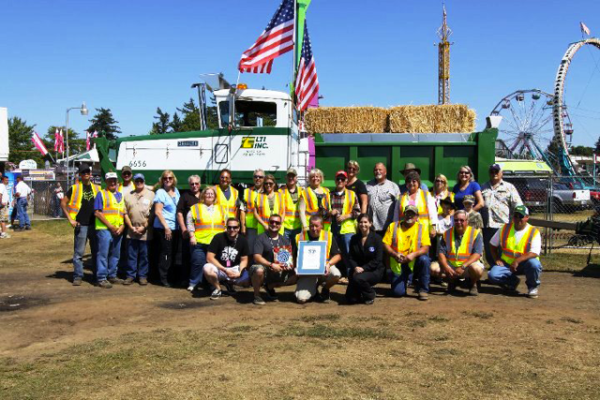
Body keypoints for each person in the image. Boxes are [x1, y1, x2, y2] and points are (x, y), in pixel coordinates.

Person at [488, 205, 542, 299]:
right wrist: (496, 259)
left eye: (521, 216)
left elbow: (534, 252)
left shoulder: (534, 231)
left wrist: (517, 261)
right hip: (507, 264)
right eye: (515, 216)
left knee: (535, 264)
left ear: (527, 217)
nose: (518, 219)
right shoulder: (504, 228)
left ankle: (532, 287)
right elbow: (492, 244)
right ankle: (512, 282)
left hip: (525, 264)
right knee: (492, 275)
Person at [62, 164, 101, 286]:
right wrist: (70, 219)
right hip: (81, 225)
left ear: (90, 174)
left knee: (96, 252)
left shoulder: (97, 188)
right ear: (79, 174)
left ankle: (96, 275)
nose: (86, 174)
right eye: (83, 172)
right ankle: (78, 276)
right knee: (79, 253)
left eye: (87, 172)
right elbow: (63, 203)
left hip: (95, 225)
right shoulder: (75, 188)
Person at [383, 205, 431, 300]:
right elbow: (385, 244)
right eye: (407, 213)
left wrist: (413, 255)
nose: (409, 216)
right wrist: (394, 254)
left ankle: (423, 290)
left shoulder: (422, 228)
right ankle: (405, 282)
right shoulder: (393, 226)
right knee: (398, 293)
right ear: (404, 214)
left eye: (412, 214)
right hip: (398, 262)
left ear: (417, 217)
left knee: (425, 260)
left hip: (413, 261)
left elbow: (426, 248)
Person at [480, 163, 523, 267]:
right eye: (492, 171)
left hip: (502, 225)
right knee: (489, 251)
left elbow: (518, 205)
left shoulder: (509, 187)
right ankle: (493, 272)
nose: (494, 173)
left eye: (496, 171)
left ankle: (504, 273)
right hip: (487, 225)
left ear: (501, 173)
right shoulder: (483, 187)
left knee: (502, 250)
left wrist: (515, 220)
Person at [249, 213, 297, 306]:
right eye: (272, 222)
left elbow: (289, 258)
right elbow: (257, 257)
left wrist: (288, 266)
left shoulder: (285, 240)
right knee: (258, 270)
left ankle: (269, 286)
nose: (274, 224)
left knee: (298, 274)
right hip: (265, 268)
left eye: (277, 222)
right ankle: (257, 295)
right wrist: (271, 264)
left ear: (280, 225)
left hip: (279, 270)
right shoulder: (261, 238)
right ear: (268, 223)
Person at [434, 210, 484, 296]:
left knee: (477, 269)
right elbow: (441, 253)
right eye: (456, 220)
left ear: (467, 221)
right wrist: (446, 267)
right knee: (434, 268)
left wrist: (463, 266)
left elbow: (477, 254)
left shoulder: (475, 233)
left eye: (461, 220)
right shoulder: (447, 234)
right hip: (451, 266)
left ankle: (473, 284)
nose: (458, 222)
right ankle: (452, 282)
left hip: (467, 266)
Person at [295, 215, 342, 304]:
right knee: (301, 299)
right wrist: (296, 268)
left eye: (316, 226)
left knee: (336, 274)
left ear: (322, 226)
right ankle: (314, 289)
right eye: (311, 225)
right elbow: (294, 256)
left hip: (324, 268)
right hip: (307, 273)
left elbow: (338, 255)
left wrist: (329, 264)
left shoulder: (328, 235)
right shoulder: (299, 237)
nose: (313, 228)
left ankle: (325, 289)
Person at [187, 186, 226, 292]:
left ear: (215, 196)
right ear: (203, 195)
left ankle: (213, 284)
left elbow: (225, 224)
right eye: (207, 193)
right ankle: (193, 283)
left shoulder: (221, 208)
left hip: (216, 243)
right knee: (197, 262)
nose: (209, 195)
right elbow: (189, 222)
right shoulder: (195, 208)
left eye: (211, 194)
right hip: (200, 241)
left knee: (213, 265)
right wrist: (192, 235)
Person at [203, 218, 250, 300]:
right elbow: (209, 257)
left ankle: (228, 283)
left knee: (248, 280)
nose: (232, 229)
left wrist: (240, 273)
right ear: (226, 228)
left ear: (238, 228)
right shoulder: (218, 237)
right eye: (229, 227)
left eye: (235, 227)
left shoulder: (243, 240)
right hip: (220, 268)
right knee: (207, 268)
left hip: (234, 268)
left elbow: (244, 260)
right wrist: (224, 270)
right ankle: (218, 289)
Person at [94, 172, 125, 289]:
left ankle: (112, 275)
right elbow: (97, 212)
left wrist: (122, 227)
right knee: (103, 254)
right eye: (110, 180)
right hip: (104, 229)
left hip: (118, 230)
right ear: (106, 182)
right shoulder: (101, 194)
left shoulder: (120, 196)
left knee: (115, 254)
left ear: (117, 182)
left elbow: (123, 213)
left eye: (114, 180)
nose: (112, 182)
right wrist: (110, 226)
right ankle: (101, 278)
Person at [123, 173, 155, 286]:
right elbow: (125, 213)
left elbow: (152, 214)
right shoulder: (127, 196)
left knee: (144, 255)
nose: (139, 183)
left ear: (144, 181)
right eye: (137, 181)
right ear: (134, 182)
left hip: (145, 231)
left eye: (141, 181)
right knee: (131, 254)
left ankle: (142, 276)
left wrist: (144, 226)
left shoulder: (151, 195)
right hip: (131, 230)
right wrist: (130, 227)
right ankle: (130, 276)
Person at [345, 214, 384, 305]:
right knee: (350, 299)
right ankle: (359, 293)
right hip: (358, 270)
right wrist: (355, 267)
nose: (363, 224)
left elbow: (378, 260)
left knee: (358, 278)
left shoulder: (377, 239)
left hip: (374, 270)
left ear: (370, 224)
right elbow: (351, 257)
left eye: (365, 222)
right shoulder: (354, 239)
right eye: (361, 222)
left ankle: (370, 294)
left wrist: (363, 268)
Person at [328, 170, 359, 282]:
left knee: (348, 253)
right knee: (333, 253)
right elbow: (322, 211)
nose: (340, 181)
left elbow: (357, 211)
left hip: (347, 229)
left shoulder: (352, 194)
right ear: (335, 181)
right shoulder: (329, 195)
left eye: (342, 179)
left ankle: (350, 275)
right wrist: (329, 212)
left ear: (346, 181)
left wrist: (346, 216)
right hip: (333, 228)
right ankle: (333, 274)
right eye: (338, 179)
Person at [153, 170, 181, 287]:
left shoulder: (176, 191)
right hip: (164, 228)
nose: (167, 180)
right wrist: (166, 227)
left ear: (173, 179)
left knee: (174, 253)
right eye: (165, 178)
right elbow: (158, 212)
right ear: (162, 180)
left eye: (170, 178)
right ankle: (163, 278)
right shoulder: (160, 192)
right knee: (165, 253)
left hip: (175, 227)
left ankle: (171, 276)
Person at [176, 175, 202, 285]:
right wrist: (183, 229)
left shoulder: (204, 196)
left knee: (200, 257)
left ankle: (201, 280)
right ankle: (184, 279)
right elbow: (179, 213)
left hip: (202, 232)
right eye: (192, 184)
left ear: (200, 184)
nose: (194, 186)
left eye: (196, 183)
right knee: (186, 256)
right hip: (189, 231)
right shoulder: (185, 196)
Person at [398, 171, 438, 238]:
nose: (411, 183)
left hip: (423, 231)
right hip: (405, 231)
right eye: (409, 182)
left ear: (418, 183)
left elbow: (433, 212)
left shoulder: (426, 195)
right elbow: (396, 216)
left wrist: (433, 227)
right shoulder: (401, 197)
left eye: (414, 181)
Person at [366, 163, 400, 236]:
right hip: (371, 227)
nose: (378, 171)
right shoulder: (367, 185)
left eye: (380, 170)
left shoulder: (393, 186)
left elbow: (398, 205)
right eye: (376, 170)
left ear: (385, 172)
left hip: (386, 227)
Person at [299, 168, 331, 232]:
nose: (315, 178)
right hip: (311, 226)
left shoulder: (326, 191)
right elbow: (301, 211)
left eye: (317, 176)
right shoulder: (305, 192)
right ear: (309, 179)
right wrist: (305, 226)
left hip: (325, 226)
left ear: (321, 178)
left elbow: (329, 208)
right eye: (312, 177)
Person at [241, 168, 264, 252]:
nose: (258, 178)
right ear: (253, 178)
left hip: (263, 226)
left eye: (260, 177)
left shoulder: (267, 192)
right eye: (256, 176)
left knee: (261, 250)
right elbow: (242, 210)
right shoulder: (247, 192)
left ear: (263, 179)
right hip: (251, 228)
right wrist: (243, 228)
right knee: (250, 250)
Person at [281, 167, 303, 243]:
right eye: (289, 176)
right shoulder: (280, 191)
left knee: (297, 250)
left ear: (296, 178)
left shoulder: (302, 191)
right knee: (285, 251)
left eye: (293, 176)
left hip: (298, 227)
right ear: (285, 177)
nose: (291, 178)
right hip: (285, 227)